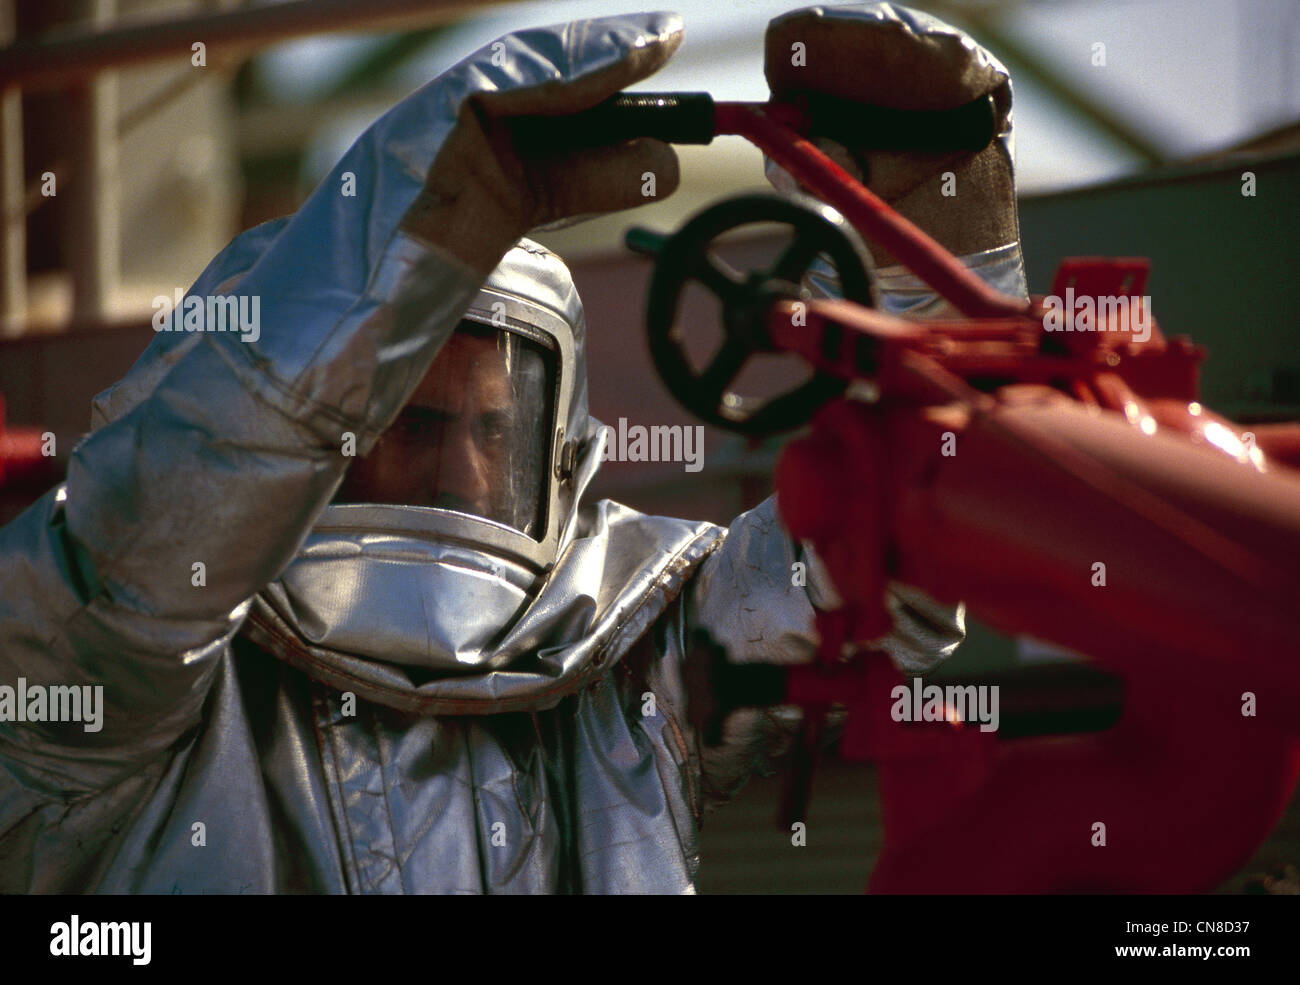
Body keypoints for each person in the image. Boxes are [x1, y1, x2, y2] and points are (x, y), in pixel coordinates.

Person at [0, 4, 1026, 893]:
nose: (462, 467)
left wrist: (943, 260)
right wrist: (400, 236)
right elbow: (135, 557)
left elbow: (897, 559)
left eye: (496, 427)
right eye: (408, 423)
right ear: (302, 437)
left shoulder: (624, 660)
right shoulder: (117, 674)